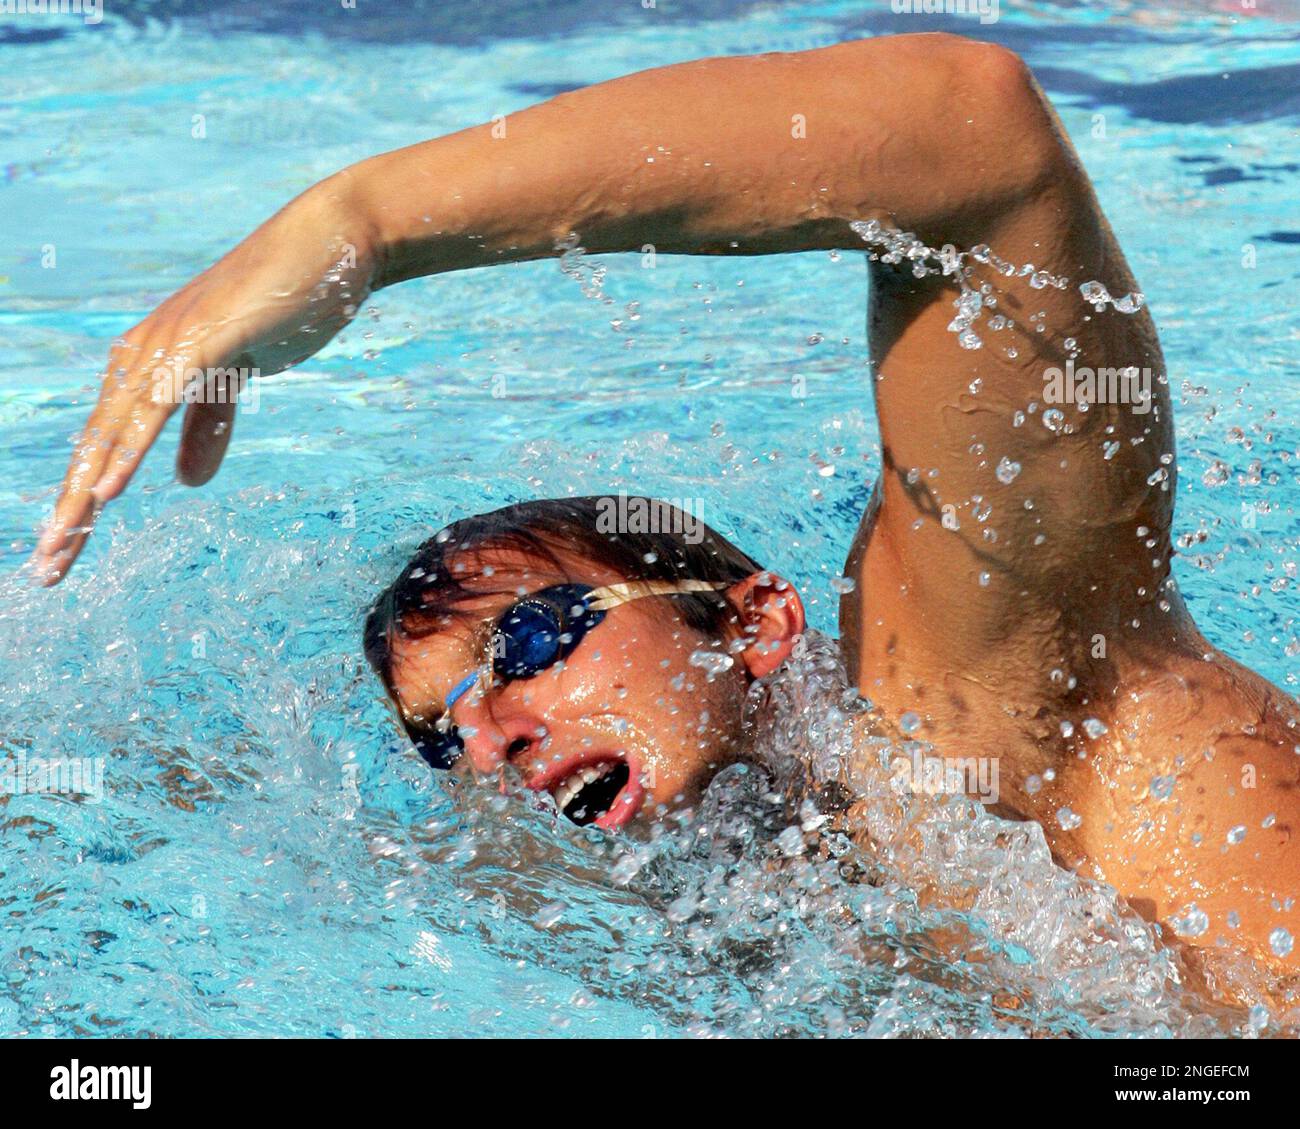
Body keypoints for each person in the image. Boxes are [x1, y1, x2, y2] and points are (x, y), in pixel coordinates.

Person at [31, 33, 1298, 979]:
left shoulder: (970, 696)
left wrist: (363, 227)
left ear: (756, 620)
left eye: (524, 646)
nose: (490, 743)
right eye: (442, 739)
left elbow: (980, 146)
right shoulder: (746, 905)